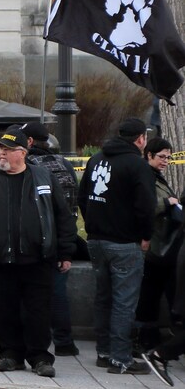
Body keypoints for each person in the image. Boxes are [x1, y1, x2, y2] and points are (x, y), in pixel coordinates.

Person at [0, 127, 76, 378]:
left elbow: (63, 216)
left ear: (22, 153)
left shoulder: (43, 177)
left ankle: (40, 357)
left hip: (37, 259)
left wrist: (65, 252)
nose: (2, 153)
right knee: (4, 310)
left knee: (38, 311)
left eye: (8, 150)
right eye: (0, 148)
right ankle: (10, 354)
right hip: (0, 259)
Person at [79, 117, 156, 375]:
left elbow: (83, 196)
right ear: (141, 139)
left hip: (96, 240)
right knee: (124, 302)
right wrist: (146, 235)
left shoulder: (96, 159)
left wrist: (93, 225)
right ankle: (120, 358)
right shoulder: (138, 165)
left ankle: (103, 351)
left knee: (103, 298)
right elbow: (145, 206)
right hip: (124, 243)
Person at [21, 120, 82, 357]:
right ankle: (64, 342)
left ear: (28, 142)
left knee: (31, 295)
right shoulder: (63, 163)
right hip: (62, 238)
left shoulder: (29, 166)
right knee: (58, 293)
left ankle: (30, 341)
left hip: (36, 241)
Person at [137, 137, 182, 351]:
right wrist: (167, 202)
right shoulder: (146, 176)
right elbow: (143, 206)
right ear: (149, 155)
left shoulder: (157, 176)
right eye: (162, 157)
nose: (165, 161)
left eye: (168, 158)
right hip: (153, 245)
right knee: (151, 293)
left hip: (162, 244)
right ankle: (148, 337)